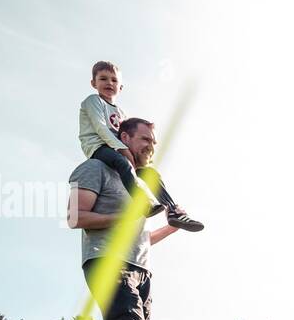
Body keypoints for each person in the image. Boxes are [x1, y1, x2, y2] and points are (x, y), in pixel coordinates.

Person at [59, 118, 198, 320]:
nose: (151, 146)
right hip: (107, 262)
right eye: (145, 139)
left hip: (141, 270)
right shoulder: (95, 169)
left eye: (154, 142)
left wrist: (172, 228)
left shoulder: (138, 185)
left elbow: (141, 237)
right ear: (124, 137)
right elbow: (75, 217)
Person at [78, 60, 204, 232]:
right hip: (98, 146)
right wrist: (123, 150)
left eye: (114, 80)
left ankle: (173, 210)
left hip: (117, 148)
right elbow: (100, 128)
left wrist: (137, 157)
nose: (109, 83)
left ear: (121, 87)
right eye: (103, 79)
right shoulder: (93, 101)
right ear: (94, 83)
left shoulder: (121, 112)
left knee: (149, 173)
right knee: (122, 163)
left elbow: (126, 135)